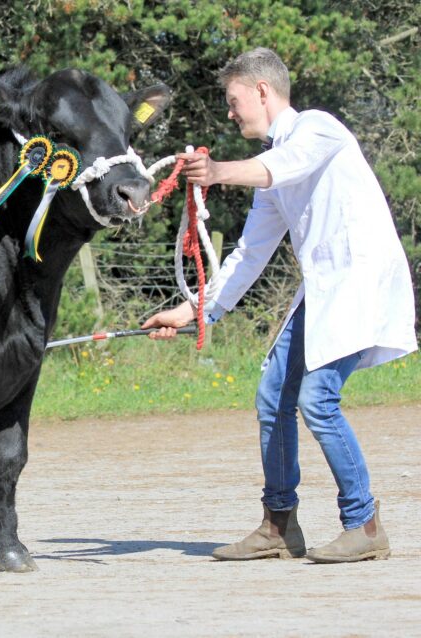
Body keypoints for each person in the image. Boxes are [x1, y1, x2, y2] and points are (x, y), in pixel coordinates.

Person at [142, 47, 417, 563]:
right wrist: (194, 311)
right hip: (326, 290)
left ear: (262, 92)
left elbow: (277, 167)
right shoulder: (271, 171)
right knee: (274, 396)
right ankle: (279, 527)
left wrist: (218, 171)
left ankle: (365, 525)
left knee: (317, 400)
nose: (230, 112)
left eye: (234, 100)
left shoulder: (318, 128)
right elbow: (249, 254)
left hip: (358, 284)